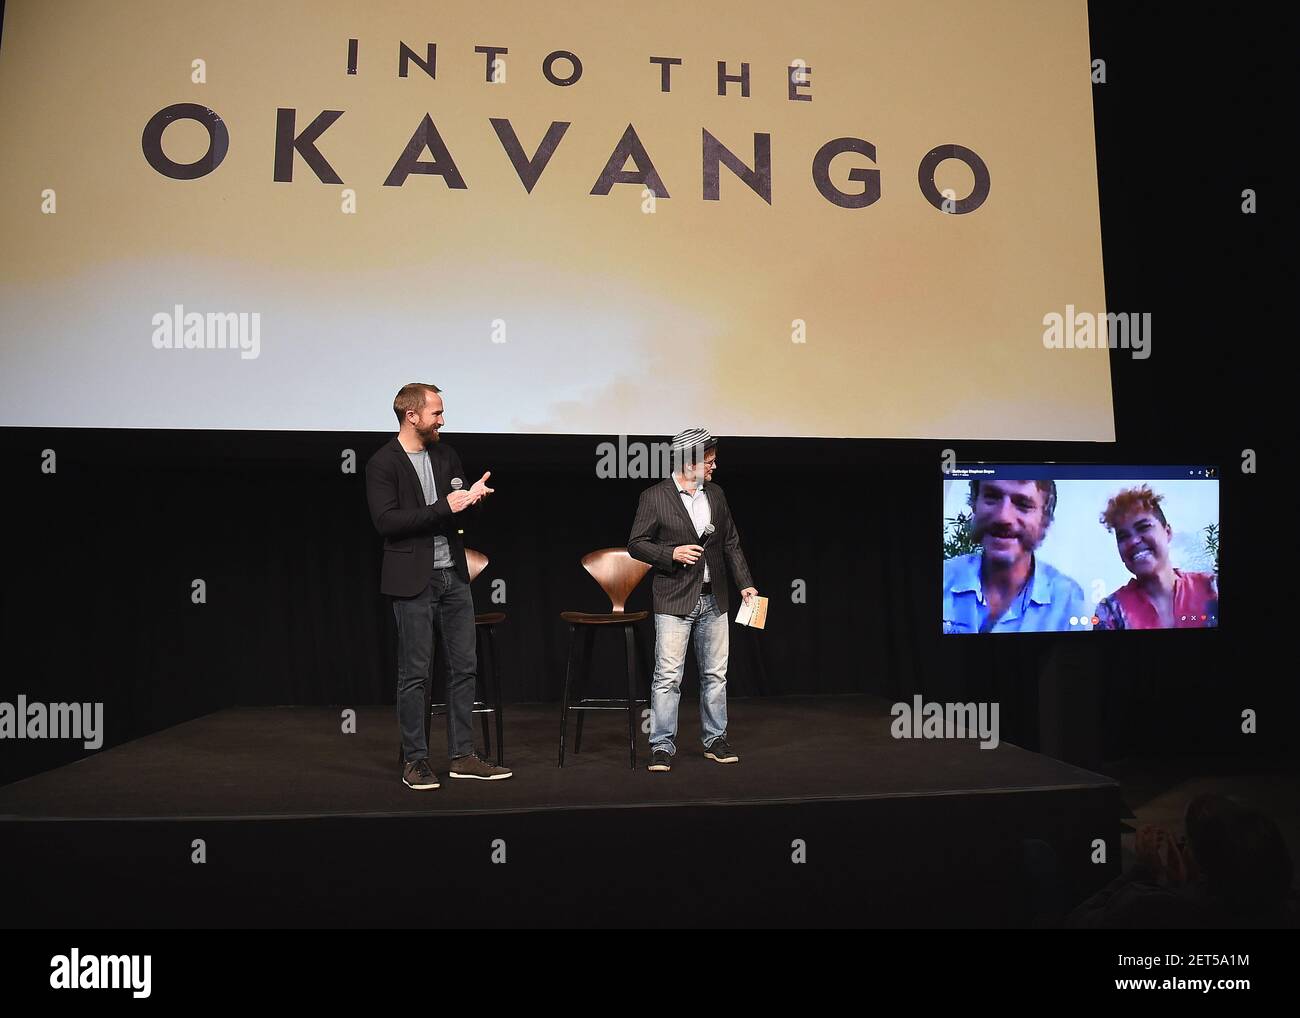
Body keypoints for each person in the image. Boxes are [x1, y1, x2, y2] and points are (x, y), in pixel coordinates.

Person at [364, 382, 512, 789]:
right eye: (436, 413)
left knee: (465, 668)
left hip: (454, 577)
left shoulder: (446, 454)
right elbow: (387, 523)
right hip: (412, 580)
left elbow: (457, 513)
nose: (442, 420)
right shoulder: (383, 463)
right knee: (415, 674)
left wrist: (473, 500)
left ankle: (463, 755)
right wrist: (443, 507)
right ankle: (415, 761)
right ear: (412, 416)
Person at [628, 428, 757, 772]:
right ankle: (661, 745)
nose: (715, 467)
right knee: (668, 676)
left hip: (714, 599)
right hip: (674, 599)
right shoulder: (654, 497)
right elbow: (636, 543)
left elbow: (730, 541)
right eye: (710, 461)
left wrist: (745, 583)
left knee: (716, 674)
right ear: (689, 462)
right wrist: (671, 553)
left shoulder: (715, 495)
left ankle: (715, 739)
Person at [943, 478, 1088, 633]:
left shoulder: (1067, 599)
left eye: (1023, 504)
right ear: (974, 505)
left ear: (1044, 521)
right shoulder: (943, 578)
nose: (1003, 517)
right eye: (992, 496)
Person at [1093, 484, 1218, 629]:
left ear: (1168, 532)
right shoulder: (1110, 612)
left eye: (1143, 527)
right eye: (1123, 536)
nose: (1133, 541)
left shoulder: (1212, 589)